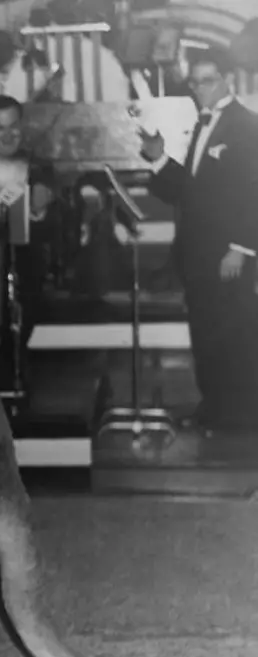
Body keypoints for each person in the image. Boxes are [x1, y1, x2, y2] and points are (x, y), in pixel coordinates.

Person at [140, 49, 258, 434]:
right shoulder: (202, 125)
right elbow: (191, 192)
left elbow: (253, 190)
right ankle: (215, 409)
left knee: (233, 332)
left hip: (227, 254)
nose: (200, 88)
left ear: (227, 80)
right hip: (198, 253)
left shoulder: (246, 125)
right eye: (195, 82)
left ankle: (240, 414)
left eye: (208, 80)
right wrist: (158, 159)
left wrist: (240, 247)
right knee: (206, 332)